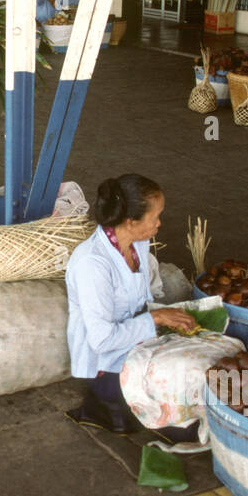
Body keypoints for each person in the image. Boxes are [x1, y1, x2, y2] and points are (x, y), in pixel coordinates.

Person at [64, 175, 194, 436]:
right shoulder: (92, 264)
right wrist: (155, 320)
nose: (159, 223)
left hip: (136, 344)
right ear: (130, 221)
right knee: (184, 383)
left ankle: (242, 412)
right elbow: (101, 340)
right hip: (106, 364)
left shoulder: (137, 244)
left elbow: (140, 299)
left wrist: (160, 318)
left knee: (207, 357)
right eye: (155, 217)